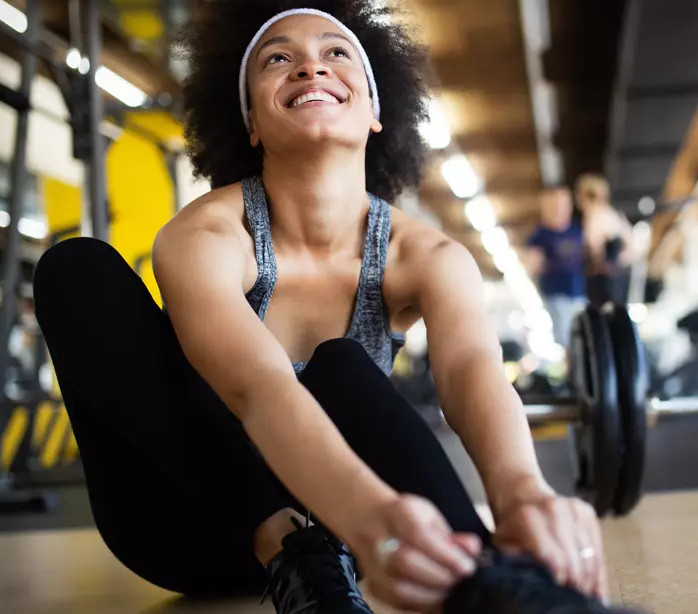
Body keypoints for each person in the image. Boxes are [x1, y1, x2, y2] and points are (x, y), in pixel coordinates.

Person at [32, 2, 629, 613]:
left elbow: (470, 371)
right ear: (251, 123)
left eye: (336, 53)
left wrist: (522, 494)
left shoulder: (426, 254)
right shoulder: (207, 236)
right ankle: (287, 549)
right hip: (194, 528)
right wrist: (375, 518)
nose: (310, 68)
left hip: (354, 527)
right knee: (75, 268)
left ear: (374, 110)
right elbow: (258, 389)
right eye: (279, 59)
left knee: (341, 362)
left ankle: (491, 589)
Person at [525, 187, 586, 349]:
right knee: (568, 339)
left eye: (563, 204)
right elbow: (532, 265)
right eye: (555, 204)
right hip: (556, 296)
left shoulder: (578, 230)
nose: (559, 208)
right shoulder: (540, 235)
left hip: (579, 293)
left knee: (583, 336)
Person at [574, 173, 636, 308]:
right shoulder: (612, 214)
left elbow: (597, 248)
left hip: (605, 280)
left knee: (605, 315)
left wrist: (607, 263)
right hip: (616, 276)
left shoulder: (598, 216)